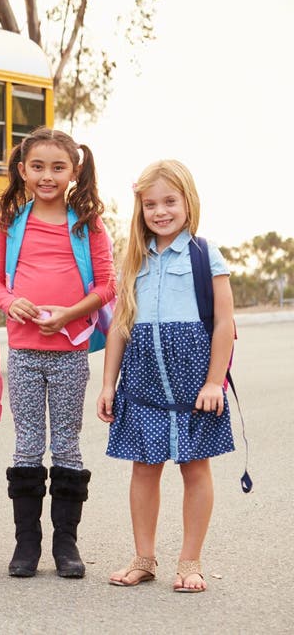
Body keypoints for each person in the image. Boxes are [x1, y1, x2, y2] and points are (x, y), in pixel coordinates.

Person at [98, 160, 234, 593]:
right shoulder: (133, 259)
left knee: (195, 469)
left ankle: (190, 562)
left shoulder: (204, 253)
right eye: (150, 204)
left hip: (195, 382)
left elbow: (225, 324)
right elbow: (120, 326)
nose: (160, 211)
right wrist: (107, 384)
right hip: (143, 382)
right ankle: (144, 558)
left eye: (169, 201)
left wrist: (214, 381)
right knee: (144, 469)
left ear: (187, 202)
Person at [0, 126, 115, 578]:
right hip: (23, 351)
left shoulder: (88, 223)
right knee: (26, 442)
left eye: (58, 168)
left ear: (74, 171)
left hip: (69, 351)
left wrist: (68, 315)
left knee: (66, 441)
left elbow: (107, 285)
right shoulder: (10, 223)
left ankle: (66, 545)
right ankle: (27, 545)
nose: (47, 176)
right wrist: (10, 302)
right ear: (22, 171)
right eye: (37, 167)